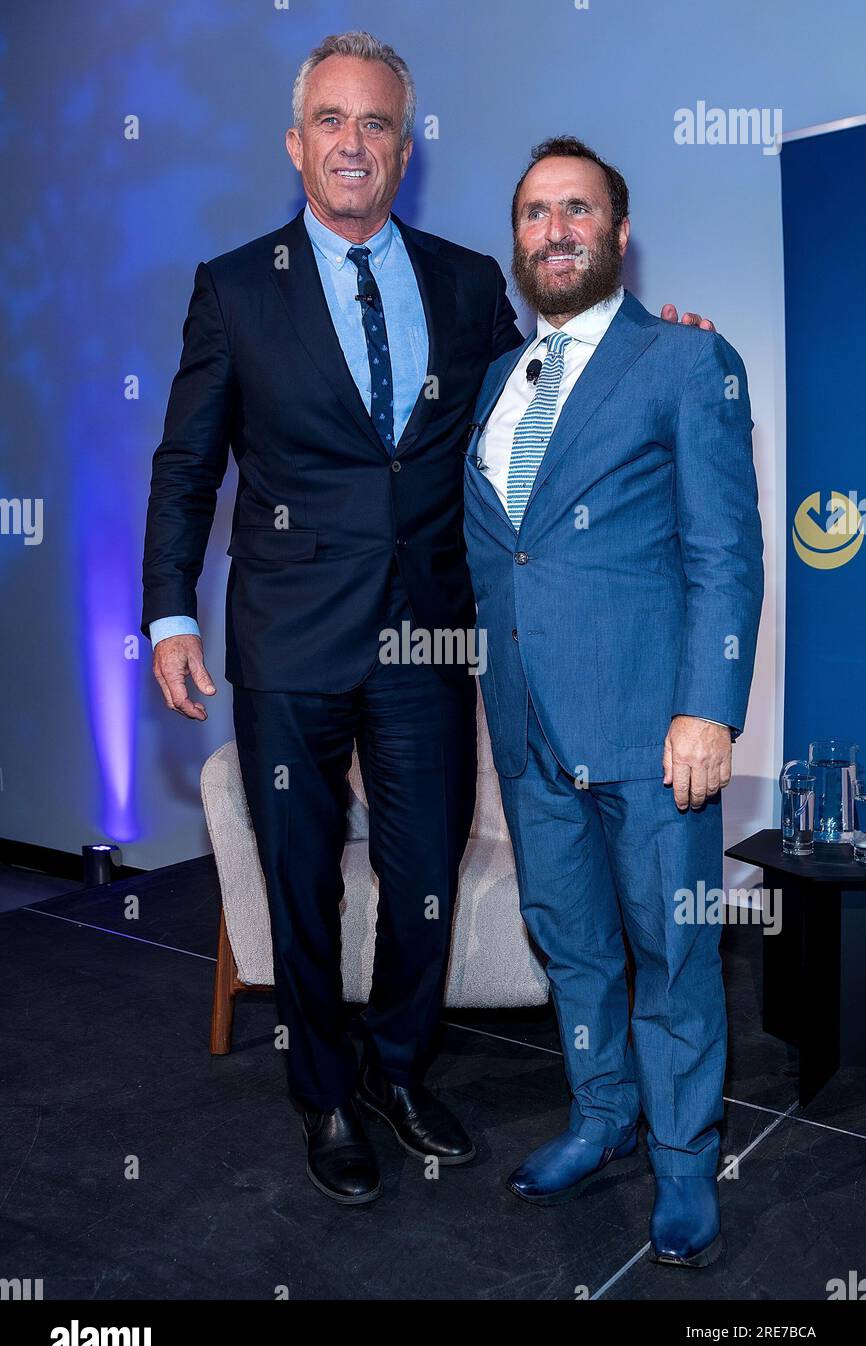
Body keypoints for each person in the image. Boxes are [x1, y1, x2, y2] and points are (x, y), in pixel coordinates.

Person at [142, 32, 712, 1206]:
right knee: (300, 882)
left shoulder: (464, 283)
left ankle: (399, 1069)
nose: (356, 144)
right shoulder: (237, 287)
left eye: (379, 123)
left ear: (407, 146)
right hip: (290, 639)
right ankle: (325, 1095)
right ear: (297, 144)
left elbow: (547, 402)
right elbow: (185, 466)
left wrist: (663, 351)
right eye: (333, 123)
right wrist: (165, 615)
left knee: (422, 877)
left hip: (431, 640)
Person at [463, 136, 763, 1265]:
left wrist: (710, 705)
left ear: (617, 233)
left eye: (576, 207)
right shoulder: (500, 382)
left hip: (651, 730)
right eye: (534, 210)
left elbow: (724, 549)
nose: (554, 228)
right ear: (518, 238)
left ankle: (686, 1164)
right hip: (527, 730)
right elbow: (510, 557)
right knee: (572, 944)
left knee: (671, 952)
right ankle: (601, 1117)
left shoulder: (686, 362)